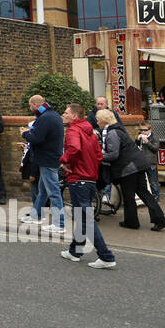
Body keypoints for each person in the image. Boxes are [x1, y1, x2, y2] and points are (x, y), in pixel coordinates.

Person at [60, 103, 116, 268]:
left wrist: (64, 161)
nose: (63, 115)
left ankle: (106, 257)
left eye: (65, 112)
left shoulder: (73, 131)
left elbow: (74, 148)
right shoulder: (90, 131)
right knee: (82, 217)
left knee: (86, 219)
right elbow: (99, 155)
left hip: (79, 179)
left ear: (75, 116)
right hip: (90, 179)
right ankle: (74, 251)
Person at [98, 109, 165, 231]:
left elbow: (113, 154)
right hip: (139, 164)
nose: (97, 122)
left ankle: (132, 222)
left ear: (104, 121)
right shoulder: (119, 130)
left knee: (128, 195)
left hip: (128, 168)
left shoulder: (112, 133)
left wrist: (98, 156)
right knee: (144, 193)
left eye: (98, 120)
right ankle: (160, 219)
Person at [22, 95, 66, 234]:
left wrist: (25, 133)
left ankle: (59, 224)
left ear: (35, 104)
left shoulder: (45, 118)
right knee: (43, 191)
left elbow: (37, 138)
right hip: (50, 158)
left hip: (47, 159)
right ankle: (36, 216)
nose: (30, 109)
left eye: (30, 106)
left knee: (53, 192)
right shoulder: (52, 115)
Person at [89, 96, 124, 207]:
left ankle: (105, 194)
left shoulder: (112, 125)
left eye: (101, 104)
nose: (99, 106)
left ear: (106, 104)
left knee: (107, 172)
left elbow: (119, 127)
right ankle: (100, 196)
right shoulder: (92, 115)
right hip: (99, 148)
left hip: (106, 151)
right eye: (98, 104)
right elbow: (88, 128)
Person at [135, 123, 161, 202]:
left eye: (145, 130)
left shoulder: (154, 137)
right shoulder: (140, 135)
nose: (143, 132)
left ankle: (156, 198)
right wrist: (137, 140)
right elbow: (135, 146)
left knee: (153, 181)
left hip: (151, 163)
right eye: (141, 130)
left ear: (150, 130)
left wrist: (147, 142)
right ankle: (144, 198)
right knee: (142, 181)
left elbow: (155, 149)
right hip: (141, 162)